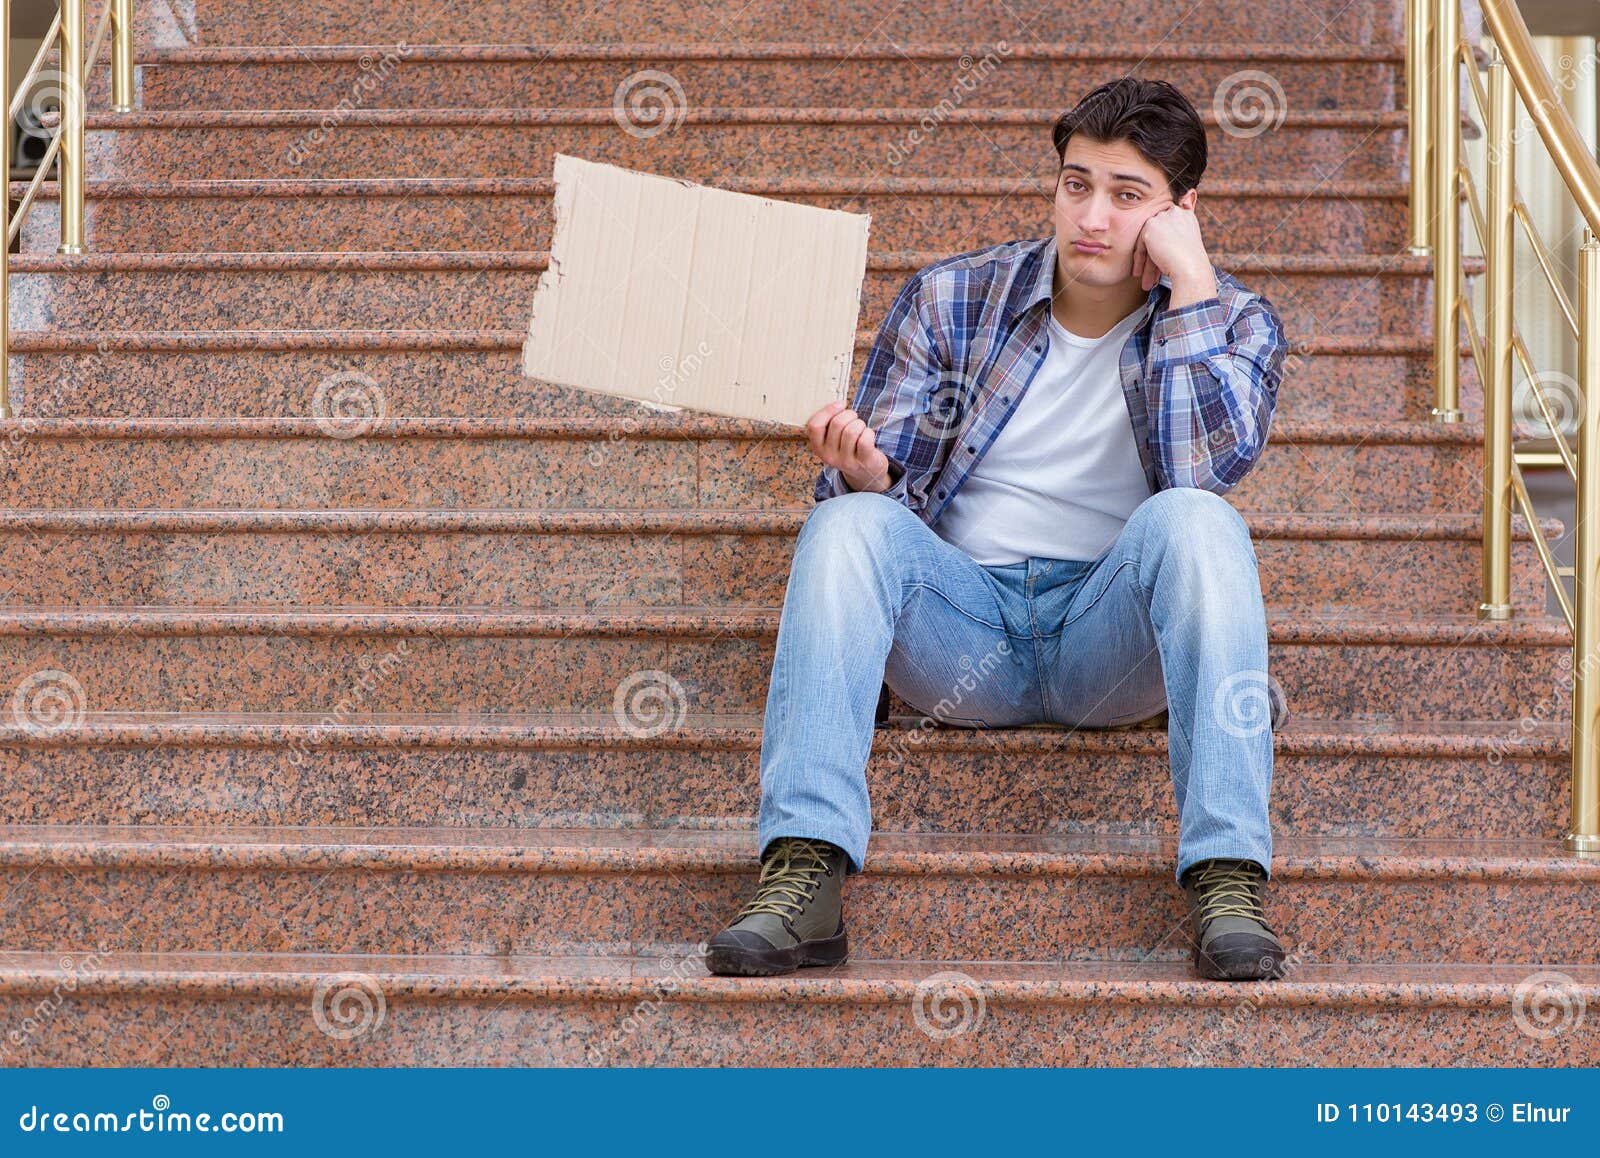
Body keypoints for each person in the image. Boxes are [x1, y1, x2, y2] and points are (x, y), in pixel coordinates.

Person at [704, 77, 1292, 982]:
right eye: (1076, 184)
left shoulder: (1235, 321)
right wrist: (865, 476)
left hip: (1111, 640)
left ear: (1182, 211)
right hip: (961, 623)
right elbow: (884, 496)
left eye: (1128, 195)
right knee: (847, 523)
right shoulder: (951, 299)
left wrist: (1194, 286)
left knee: (1199, 521)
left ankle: (1225, 874)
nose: (1092, 216)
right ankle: (807, 872)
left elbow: (1198, 471)